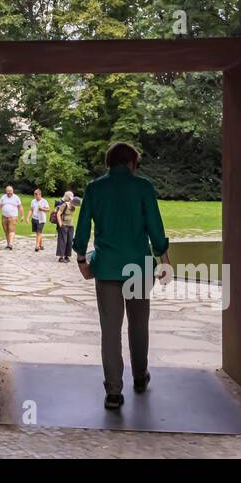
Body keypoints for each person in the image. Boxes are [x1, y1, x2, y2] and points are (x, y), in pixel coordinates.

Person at [74, 142, 171, 411]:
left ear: (109, 162)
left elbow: (82, 228)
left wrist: (81, 258)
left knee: (110, 330)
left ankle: (113, 392)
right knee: (139, 326)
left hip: (106, 268)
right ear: (131, 163)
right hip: (138, 268)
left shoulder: (95, 188)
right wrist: (164, 259)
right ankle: (140, 377)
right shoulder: (143, 188)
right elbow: (155, 226)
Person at [0, 185, 22, 250]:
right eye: (8, 191)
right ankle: (8, 244)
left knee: (11, 230)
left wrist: (22, 216)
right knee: (6, 231)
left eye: (10, 191)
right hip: (4, 217)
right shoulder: (3, 197)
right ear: (6, 191)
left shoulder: (16, 198)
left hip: (13, 217)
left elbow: (20, 207)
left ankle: (11, 244)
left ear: (13, 191)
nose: (9, 192)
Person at [54, 190, 76, 262]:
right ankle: (61, 257)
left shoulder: (73, 205)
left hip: (71, 225)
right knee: (63, 241)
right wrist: (60, 223)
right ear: (68, 197)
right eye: (71, 197)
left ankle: (67, 256)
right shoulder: (64, 205)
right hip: (64, 225)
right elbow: (58, 214)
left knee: (69, 241)